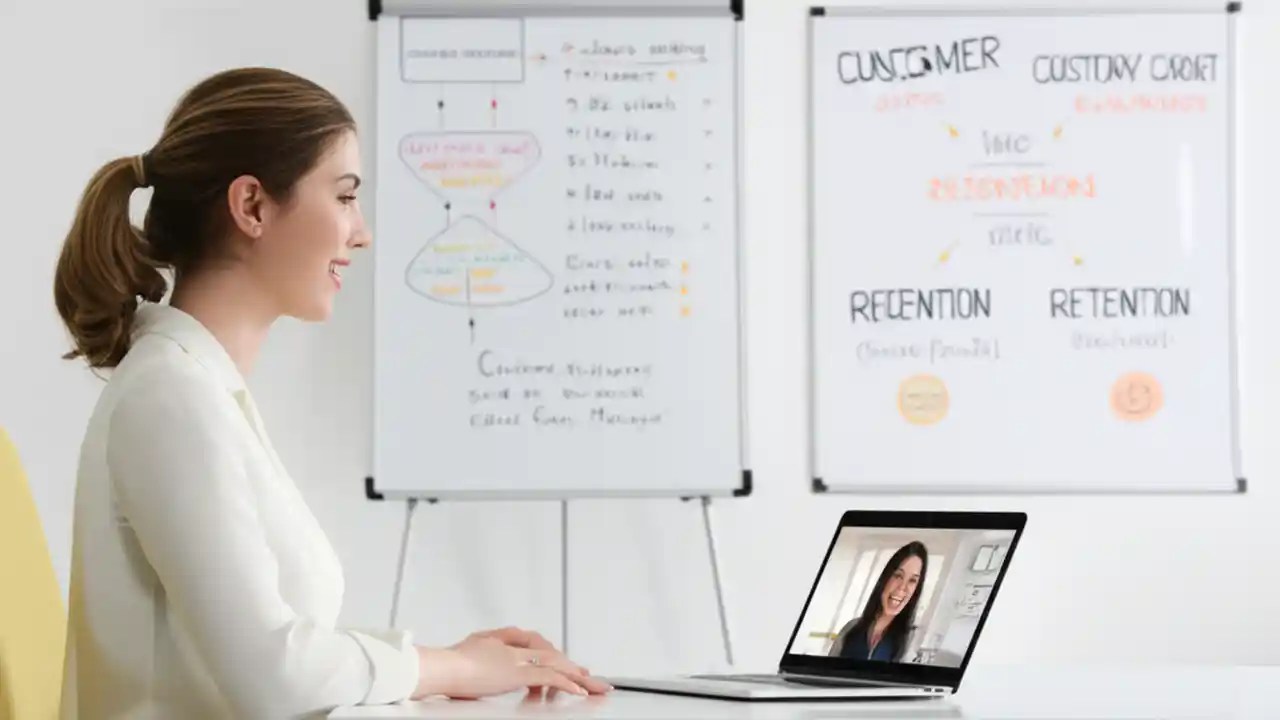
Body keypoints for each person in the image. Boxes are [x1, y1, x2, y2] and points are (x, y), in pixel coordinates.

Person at [53, 67, 611, 719]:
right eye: (345, 197)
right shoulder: (170, 398)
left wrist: (437, 661)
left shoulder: (196, 390)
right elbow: (273, 676)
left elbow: (270, 652)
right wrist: (450, 668)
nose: (362, 231)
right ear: (252, 207)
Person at [828, 541, 928, 663]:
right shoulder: (850, 629)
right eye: (898, 575)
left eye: (912, 580)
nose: (902, 587)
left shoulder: (910, 642)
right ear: (885, 578)